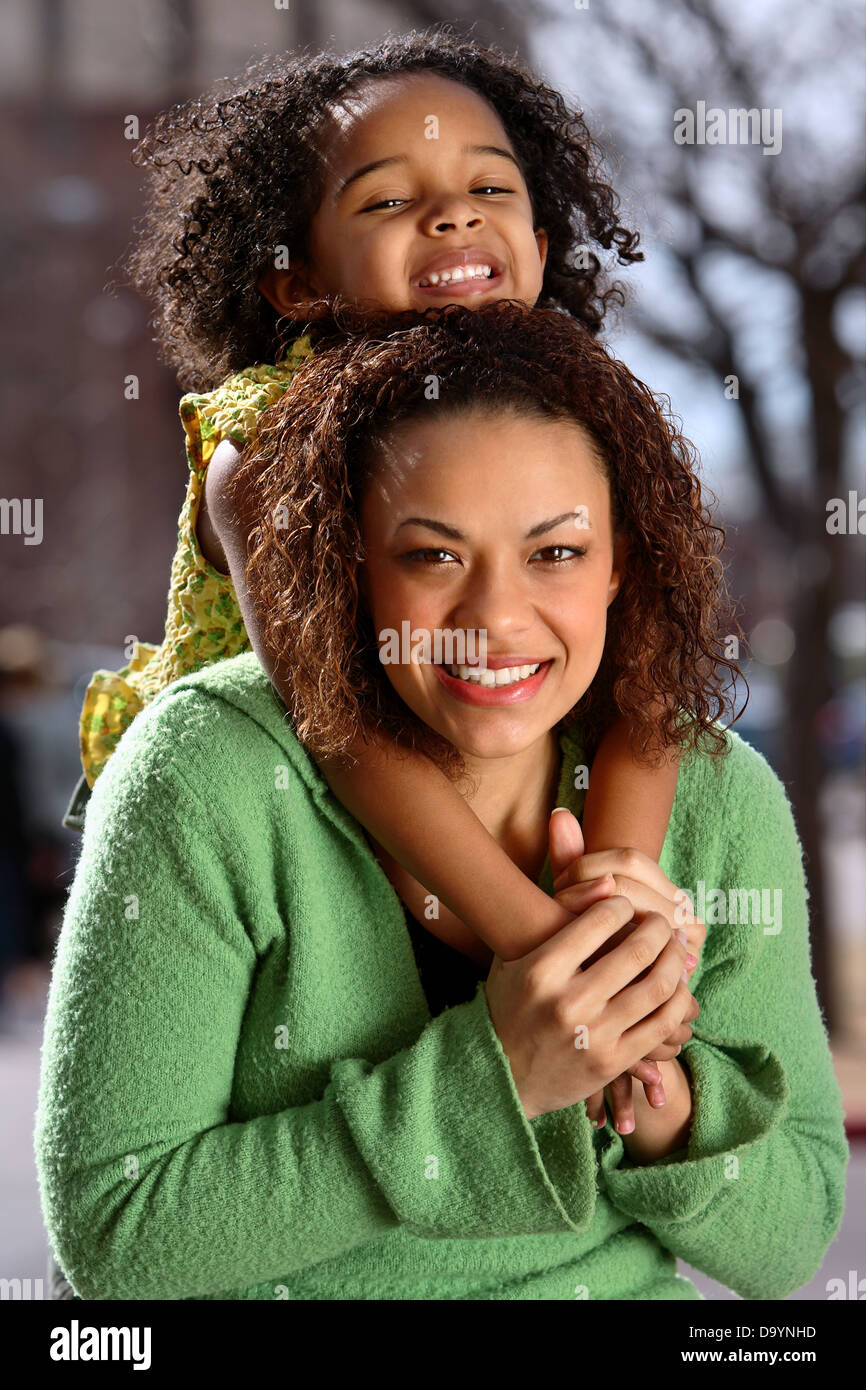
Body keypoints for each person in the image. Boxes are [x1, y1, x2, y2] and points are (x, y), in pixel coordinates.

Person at [35, 304, 848, 1301]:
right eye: (431, 555)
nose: (495, 621)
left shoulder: (717, 795)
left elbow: (793, 1233)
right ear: (351, 567)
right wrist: (498, 1072)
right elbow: (117, 1239)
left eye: (554, 553)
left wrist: (657, 1090)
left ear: (619, 564)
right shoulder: (205, 769)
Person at [66, 31, 691, 1121]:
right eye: (384, 200)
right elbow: (336, 722)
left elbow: (649, 681)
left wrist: (611, 923)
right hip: (293, 801)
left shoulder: (570, 429)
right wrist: (539, 943)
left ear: (539, 246)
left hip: (491, 790)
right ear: (297, 282)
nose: (450, 215)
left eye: (486, 187)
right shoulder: (255, 443)